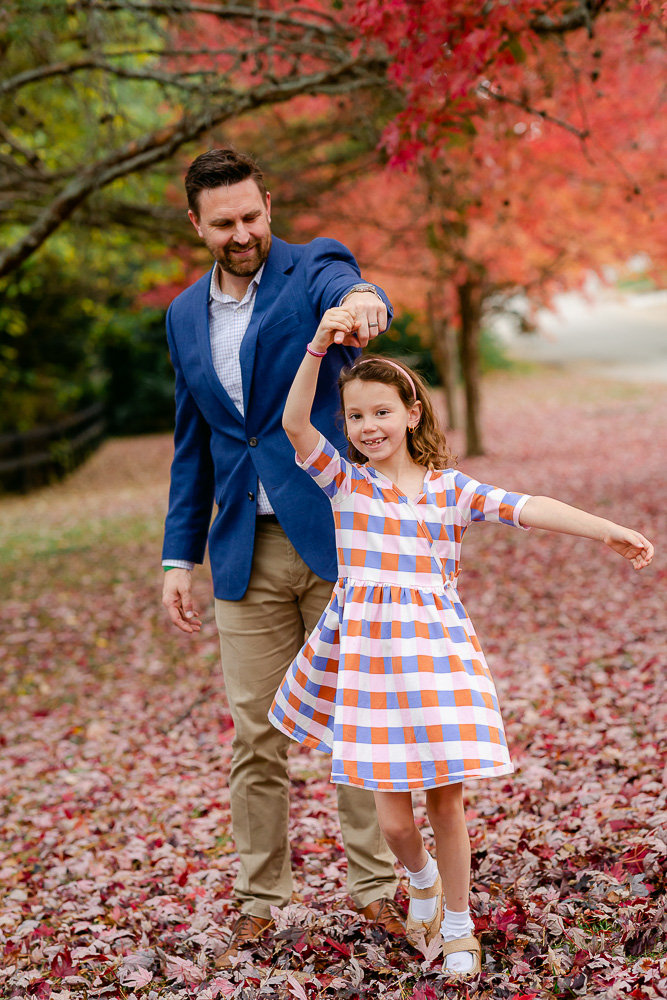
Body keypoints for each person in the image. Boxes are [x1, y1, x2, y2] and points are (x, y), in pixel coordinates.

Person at [269, 307, 654, 978]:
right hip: (370, 665)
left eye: (382, 412)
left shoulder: (451, 490)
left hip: (436, 657)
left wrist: (606, 529)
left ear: (412, 413)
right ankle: (419, 877)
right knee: (394, 823)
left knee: (445, 801)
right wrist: (316, 347)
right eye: (356, 417)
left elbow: (526, 506)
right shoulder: (345, 482)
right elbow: (294, 423)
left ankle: (457, 924)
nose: (368, 426)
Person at [161, 148, 403, 967]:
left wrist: (362, 301)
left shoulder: (311, 271)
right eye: (222, 223)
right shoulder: (182, 316)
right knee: (256, 735)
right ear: (196, 224)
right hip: (243, 552)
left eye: (250, 216)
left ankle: (378, 888)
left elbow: (351, 287)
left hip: (337, 538)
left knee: (356, 725)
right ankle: (261, 899)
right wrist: (176, 557)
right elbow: (193, 442)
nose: (241, 234)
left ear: (268, 204)